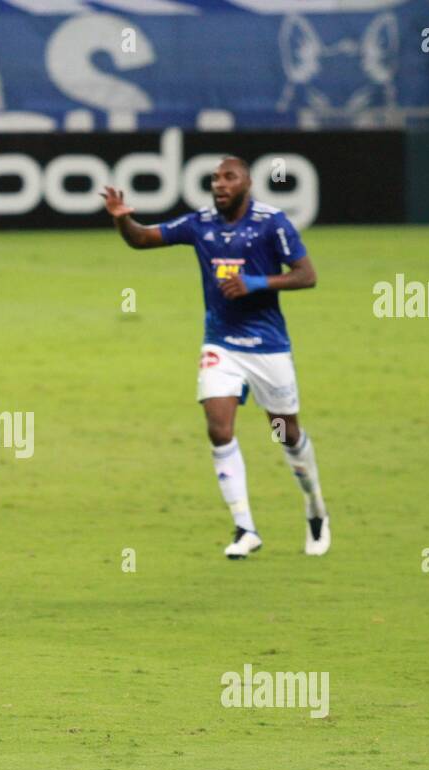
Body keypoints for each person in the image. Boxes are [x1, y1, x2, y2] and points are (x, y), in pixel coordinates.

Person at [101, 156, 330, 558]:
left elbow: (306, 275)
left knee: (284, 432)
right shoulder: (200, 224)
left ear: (247, 183)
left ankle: (315, 508)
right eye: (214, 178)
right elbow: (141, 239)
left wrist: (256, 282)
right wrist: (122, 218)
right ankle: (245, 527)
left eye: (229, 177)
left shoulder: (271, 223)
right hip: (221, 344)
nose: (220, 184)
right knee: (219, 427)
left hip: (267, 347)